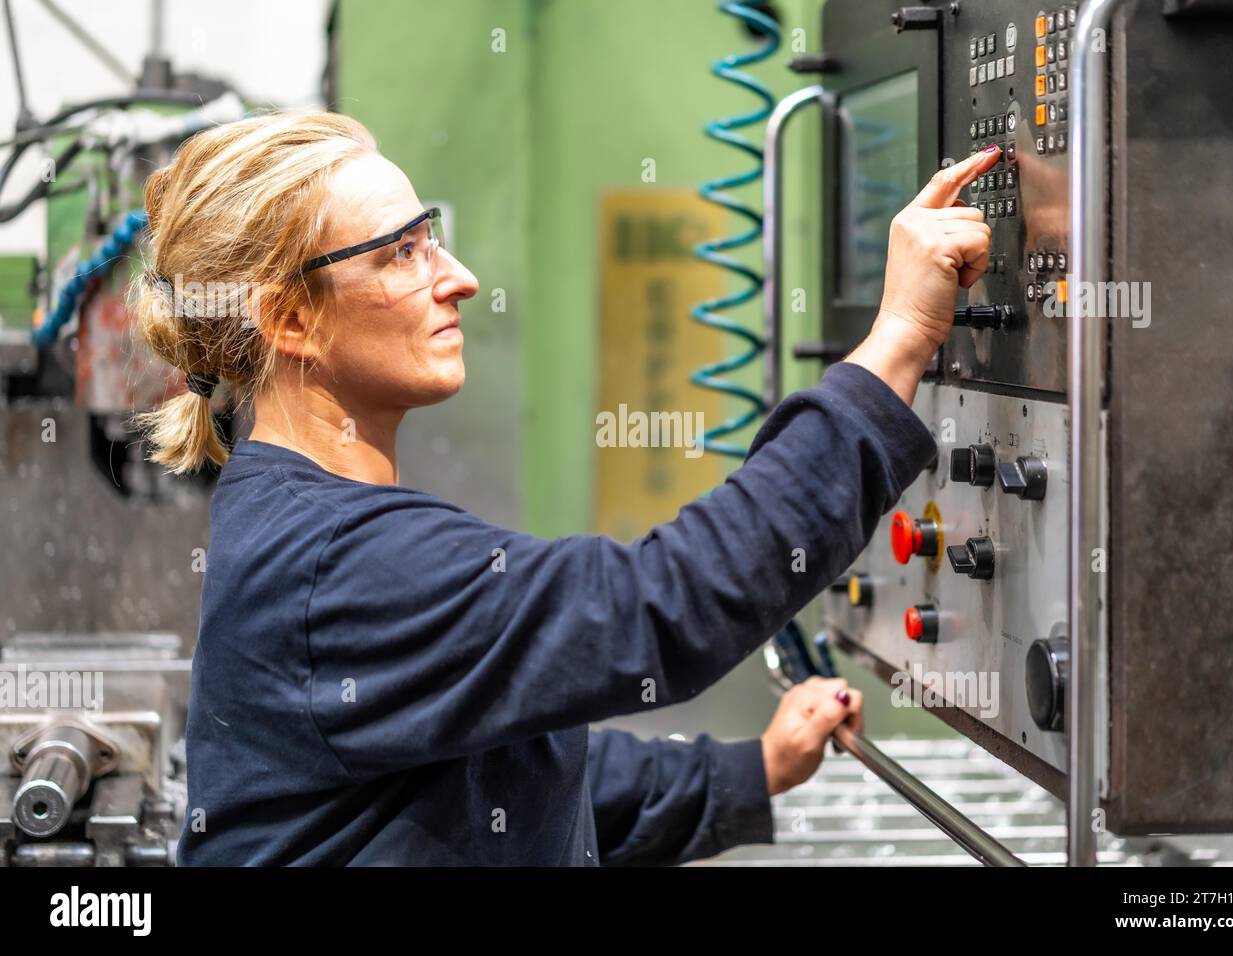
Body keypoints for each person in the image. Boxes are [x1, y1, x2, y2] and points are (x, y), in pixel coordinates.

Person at [130, 111, 997, 865]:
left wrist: (750, 771)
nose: (458, 276)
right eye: (401, 252)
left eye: (431, 233)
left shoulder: (308, 520)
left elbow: (506, 768)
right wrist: (901, 339)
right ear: (290, 320)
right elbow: (658, 607)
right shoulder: (335, 563)